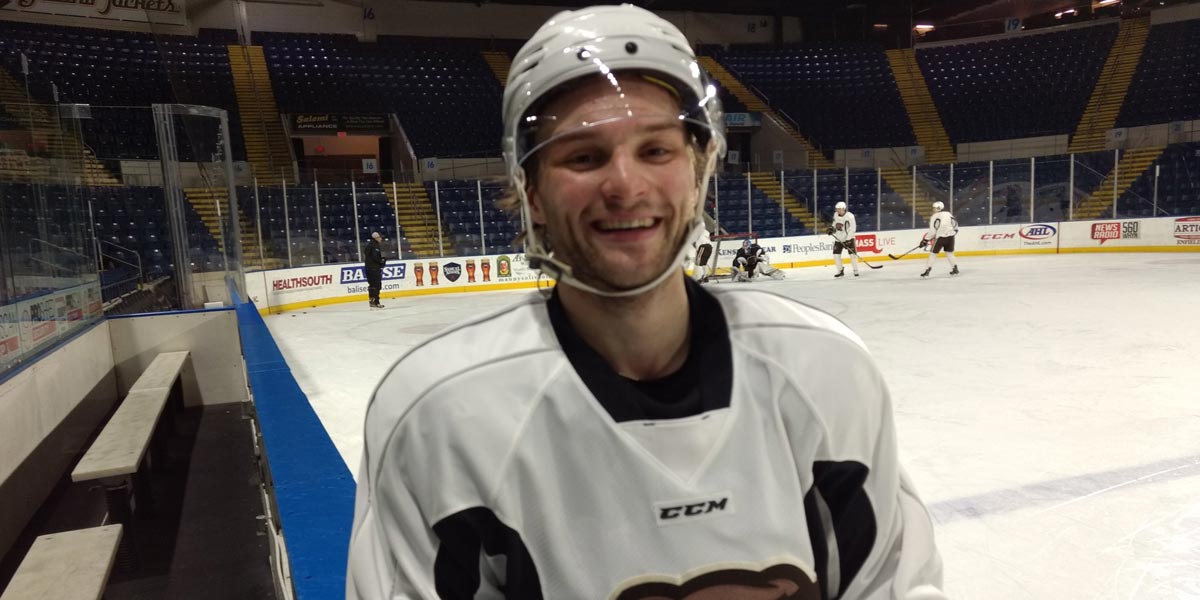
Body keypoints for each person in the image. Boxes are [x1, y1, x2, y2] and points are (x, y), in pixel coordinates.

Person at [346, 6, 945, 599]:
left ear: (699, 169)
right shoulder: (437, 416)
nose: (625, 186)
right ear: (528, 189)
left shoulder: (827, 373)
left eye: (657, 150)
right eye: (583, 156)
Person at [919, 201, 960, 278]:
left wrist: (925, 240)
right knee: (950, 253)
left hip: (941, 238)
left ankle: (927, 271)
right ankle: (955, 269)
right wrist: (954, 231)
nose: (933, 209)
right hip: (951, 237)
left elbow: (932, 231)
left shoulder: (934, 216)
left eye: (934, 207)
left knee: (933, 254)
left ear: (938, 208)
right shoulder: (948, 214)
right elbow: (955, 224)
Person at [827, 200, 859, 278]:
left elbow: (853, 228)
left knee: (853, 255)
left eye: (839, 209)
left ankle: (856, 271)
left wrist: (848, 239)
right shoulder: (835, 214)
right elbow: (834, 224)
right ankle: (840, 270)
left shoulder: (850, 216)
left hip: (849, 238)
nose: (838, 211)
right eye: (837, 209)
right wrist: (831, 229)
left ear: (844, 209)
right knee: (836, 255)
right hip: (839, 239)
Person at [364, 231, 386, 308]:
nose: (381, 238)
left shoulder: (369, 245)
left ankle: (372, 301)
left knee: (372, 285)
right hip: (374, 268)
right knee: (377, 285)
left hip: (368, 268)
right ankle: (376, 302)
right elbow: (375, 257)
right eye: (380, 237)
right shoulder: (374, 245)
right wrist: (381, 261)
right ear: (376, 237)